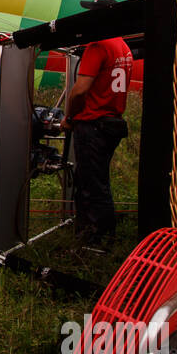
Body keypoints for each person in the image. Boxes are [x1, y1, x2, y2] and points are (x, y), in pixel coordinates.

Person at [63, 31, 133, 244]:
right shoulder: (123, 47)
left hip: (93, 123)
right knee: (99, 179)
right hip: (112, 122)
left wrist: (70, 117)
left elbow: (79, 91)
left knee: (90, 183)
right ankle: (97, 232)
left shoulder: (98, 45)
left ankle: (96, 238)